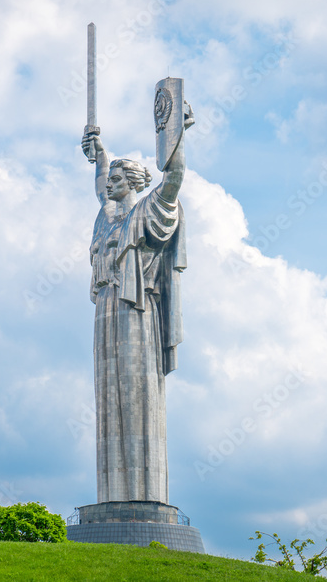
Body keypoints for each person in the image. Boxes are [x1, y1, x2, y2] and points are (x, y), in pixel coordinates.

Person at [80, 115, 189, 504]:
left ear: (135, 183)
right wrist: (100, 154)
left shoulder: (148, 211)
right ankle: (110, 497)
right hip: (106, 311)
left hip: (137, 310)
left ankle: (145, 497)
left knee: (136, 392)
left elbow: (174, 180)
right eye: (109, 178)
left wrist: (175, 137)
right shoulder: (106, 218)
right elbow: (99, 186)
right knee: (109, 396)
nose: (109, 181)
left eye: (116, 178)